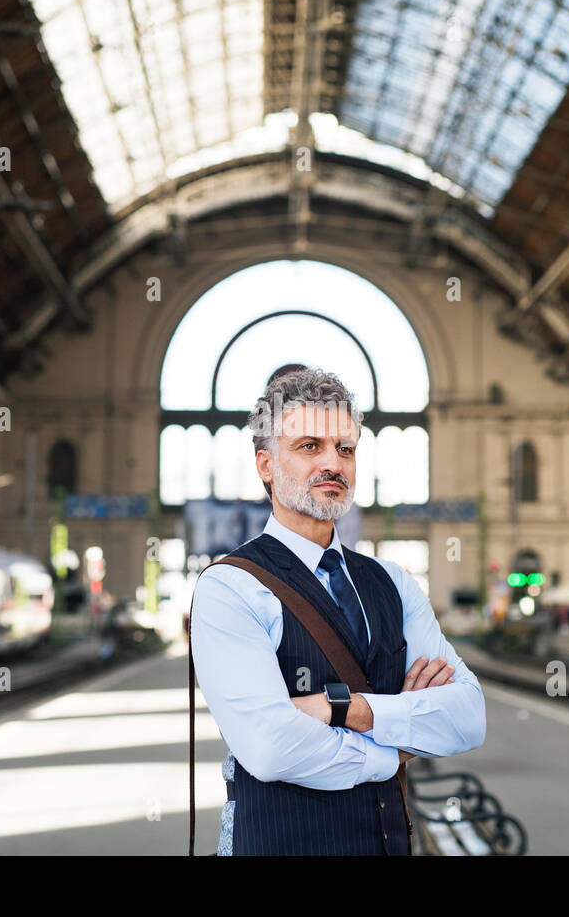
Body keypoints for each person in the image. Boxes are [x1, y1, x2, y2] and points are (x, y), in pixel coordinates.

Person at [189, 367, 486, 856]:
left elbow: (468, 717)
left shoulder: (393, 583)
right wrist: (399, 743)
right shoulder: (231, 587)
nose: (333, 463)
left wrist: (342, 709)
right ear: (266, 464)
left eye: (345, 449)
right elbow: (268, 747)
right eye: (309, 447)